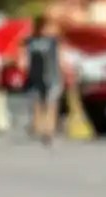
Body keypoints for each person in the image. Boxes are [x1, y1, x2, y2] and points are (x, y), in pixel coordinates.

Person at [24, 13, 63, 147]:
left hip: (37, 77)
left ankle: (44, 130)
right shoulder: (53, 41)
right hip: (51, 76)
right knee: (49, 105)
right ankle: (47, 131)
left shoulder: (30, 41)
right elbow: (60, 58)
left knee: (42, 104)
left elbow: (25, 60)